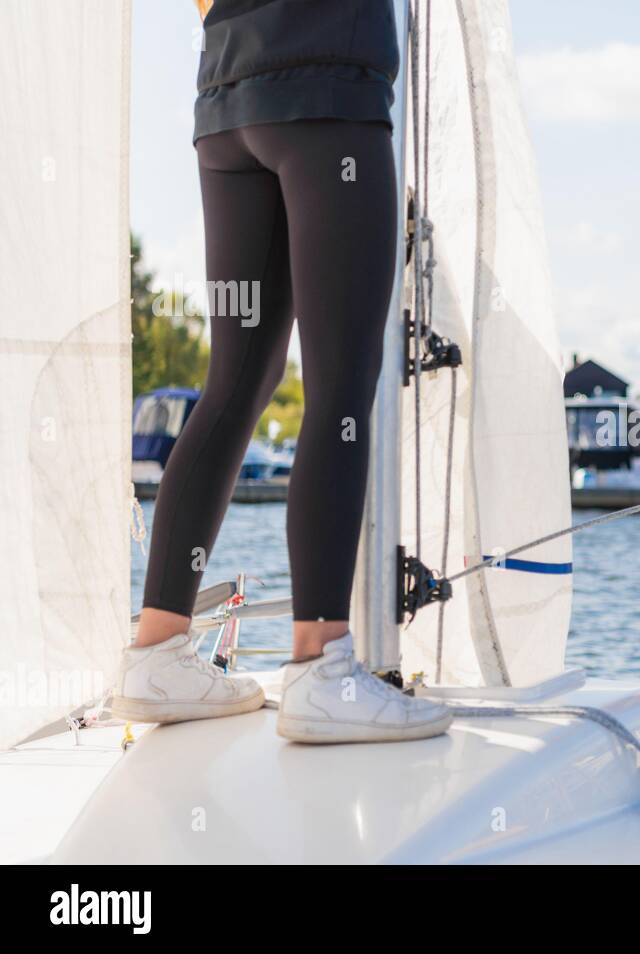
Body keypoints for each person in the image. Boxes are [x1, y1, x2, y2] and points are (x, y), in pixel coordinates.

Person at [112, 0, 452, 743]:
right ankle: (321, 668)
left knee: (233, 383)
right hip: (327, 96)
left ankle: (157, 653)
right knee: (339, 385)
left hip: (226, 109)